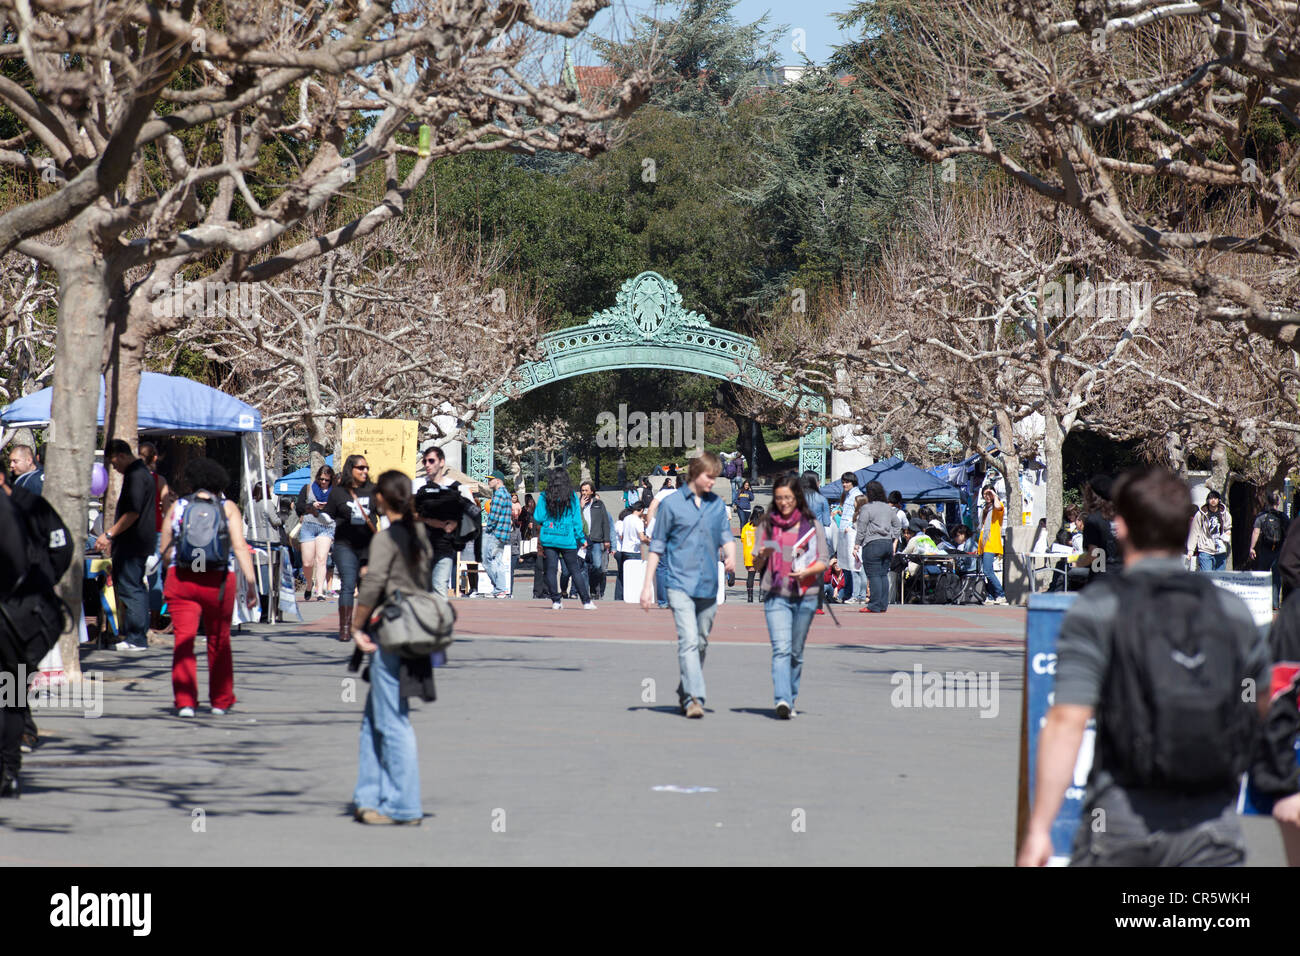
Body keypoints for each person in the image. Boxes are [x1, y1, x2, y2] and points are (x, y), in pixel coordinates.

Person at [1019, 467, 1273, 867]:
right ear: (1184, 526)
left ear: (1121, 527)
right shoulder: (1232, 612)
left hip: (1121, 819)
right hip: (1212, 820)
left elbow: (1068, 719)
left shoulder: (1099, 609)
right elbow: (1262, 706)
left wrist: (1039, 829)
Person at [349, 470, 435, 826]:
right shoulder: (420, 535)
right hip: (417, 630)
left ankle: (403, 804)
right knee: (374, 719)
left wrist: (355, 625)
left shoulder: (386, 539)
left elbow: (372, 587)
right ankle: (369, 797)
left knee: (394, 720)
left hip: (391, 631)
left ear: (383, 498)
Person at [158, 458, 259, 717]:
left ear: (191, 480)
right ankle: (221, 701)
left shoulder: (178, 506)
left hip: (182, 578)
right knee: (219, 640)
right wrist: (250, 583)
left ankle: (185, 702)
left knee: (184, 640)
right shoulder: (228, 508)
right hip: (218, 581)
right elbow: (238, 546)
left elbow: (165, 551)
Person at [642, 452, 735, 719]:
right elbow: (657, 546)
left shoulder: (716, 504)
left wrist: (730, 555)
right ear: (695, 474)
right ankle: (696, 698)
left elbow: (726, 536)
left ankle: (685, 689)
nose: (713, 483)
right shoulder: (671, 505)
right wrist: (648, 585)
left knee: (701, 641)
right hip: (679, 582)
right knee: (688, 641)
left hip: (707, 583)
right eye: (709, 476)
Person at [753, 474, 827, 719]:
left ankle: (791, 697)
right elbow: (756, 561)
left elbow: (824, 561)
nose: (783, 502)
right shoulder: (767, 524)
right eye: (779, 498)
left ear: (797, 497)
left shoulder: (811, 525)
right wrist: (762, 555)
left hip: (806, 595)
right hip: (776, 594)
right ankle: (782, 700)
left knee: (796, 651)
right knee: (781, 649)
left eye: (788, 497)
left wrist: (807, 571)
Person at [94, 439, 157, 651]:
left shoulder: (136, 476)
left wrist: (109, 534)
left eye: (113, 463)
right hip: (135, 542)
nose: (114, 468)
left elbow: (132, 512)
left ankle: (136, 637)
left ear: (120, 455)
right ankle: (133, 635)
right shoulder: (140, 474)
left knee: (131, 587)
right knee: (131, 586)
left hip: (133, 542)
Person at [324, 455, 377, 642]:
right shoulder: (338, 492)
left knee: (366, 587)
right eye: (360, 468)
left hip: (368, 546)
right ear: (350, 469)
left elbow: (385, 512)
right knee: (348, 583)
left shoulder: (373, 490)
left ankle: (364, 626)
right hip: (344, 544)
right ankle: (345, 628)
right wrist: (315, 512)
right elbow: (327, 516)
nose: (365, 471)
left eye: (366, 468)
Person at [534, 468, 593, 610]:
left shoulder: (544, 495)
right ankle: (586, 601)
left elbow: (538, 517)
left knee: (551, 570)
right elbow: (576, 520)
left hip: (549, 537)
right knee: (575, 570)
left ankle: (556, 601)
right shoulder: (571, 496)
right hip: (567, 539)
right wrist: (581, 537)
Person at [413, 446, 464, 598]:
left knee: (440, 588)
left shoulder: (454, 487)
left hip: (444, 547)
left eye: (431, 461)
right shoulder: (418, 486)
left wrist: (455, 524)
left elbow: (467, 511)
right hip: (422, 548)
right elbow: (411, 513)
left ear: (441, 462)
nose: (427, 464)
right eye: (425, 461)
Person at [857, 481, 899, 613]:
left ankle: (874, 605)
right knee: (882, 574)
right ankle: (882, 604)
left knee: (874, 575)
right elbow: (897, 525)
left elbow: (861, 528)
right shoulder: (888, 508)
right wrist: (893, 538)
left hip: (872, 543)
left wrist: (857, 543)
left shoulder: (867, 508)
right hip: (887, 543)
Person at [295, 464, 335, 601]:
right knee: (307, 563)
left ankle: (320, 591)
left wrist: (327, 507)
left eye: (327, 480)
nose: (323, 482)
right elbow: (298, 507)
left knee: (322, 559)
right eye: (321, 479)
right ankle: (309, 584)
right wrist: (312, 506)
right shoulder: (308, 488)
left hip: (327, 526)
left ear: (331, 480)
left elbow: (339, 509)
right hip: (309, 525)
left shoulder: (335, 491)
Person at [246, 481, 284, 622]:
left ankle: (255, 609)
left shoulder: (250, 504)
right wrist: (282, 518)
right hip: (268, 542)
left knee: (255, 576)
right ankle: (267, 610)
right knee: (268, 577)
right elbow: (275, 521)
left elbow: (246, 519)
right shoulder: (268, 503)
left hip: (252, 541)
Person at [1250, 490, 1289, 610]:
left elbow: (1256, 532)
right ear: (1278, 502)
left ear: (1267, 502)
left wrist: (1252, 548)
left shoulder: (1262, 516)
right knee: (1277, 577)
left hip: (1265, 549)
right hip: (1279, 550)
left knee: (1263, 575)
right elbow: (1289, 533)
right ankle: (1275, 604)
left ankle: (1262, 601)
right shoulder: (1283, 516)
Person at [479, 470, 513, 599]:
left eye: (491, 479)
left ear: (498, 481)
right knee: (497, 560)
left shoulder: (498, 494)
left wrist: (488, 529)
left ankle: (500, 588)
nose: (489, 481)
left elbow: (493, 516)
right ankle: (501, 589)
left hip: (494, 533)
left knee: (487, 560)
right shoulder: (507, 494)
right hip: (503, 533)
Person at [646, 476, 678, 608]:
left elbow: (651, 508)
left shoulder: (664, 493)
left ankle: (663, 601)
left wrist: (649, 527)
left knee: (661, 568)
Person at [579, 480, 613, 602]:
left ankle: (593, 588)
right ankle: (584, 592)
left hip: (596, 540)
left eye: (586, 490)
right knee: (582, 567)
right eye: (582, 490)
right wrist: (580, 507)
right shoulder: (578, 504)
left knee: (597, 566)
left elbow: (605, 522)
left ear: (592, 491)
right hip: (582, 540)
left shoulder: (599, 504)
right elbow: (574, 519)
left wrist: (607, 539)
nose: (584, 493)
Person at [976, 486, 1008, 605]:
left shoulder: (997, 507)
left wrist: (994, 495)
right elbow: (982, 527)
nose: (987, 496)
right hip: (984, 543)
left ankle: (1000, 594)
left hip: (991, 542)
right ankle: (990, 595)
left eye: (989, 493)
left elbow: (998, 506)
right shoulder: (985, 508)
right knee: (986, 571)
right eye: (985, 494)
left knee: (987, 570)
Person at [1187, 487, 1232, 572]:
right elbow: (1194, 532)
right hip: (1205, 549)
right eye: (1211, 498)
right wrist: (1191, 550)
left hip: (1220, 549)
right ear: (1208, 500)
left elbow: (1228, 528)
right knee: (1207, 575)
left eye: (1215, 498)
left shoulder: (1225, 514)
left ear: (1219, 500)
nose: (1213, 500)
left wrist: (1227, 534)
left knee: (1220, 577)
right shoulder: (1201, 514)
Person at [613, 502, 647, 602]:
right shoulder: (638, 521)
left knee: (622, 575)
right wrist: (649, 541)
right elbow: (641, 537)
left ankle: (619, 597)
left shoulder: (627, 519)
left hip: (624, 549)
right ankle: (634, 597)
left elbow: (623, 534)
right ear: (641, 510)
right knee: (635, 575)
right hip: (634, 551)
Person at [741, 505, 765, 603]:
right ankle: (761, 595)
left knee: (750, 575)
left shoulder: (746, 527)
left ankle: (750, 597)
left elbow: (743, 540)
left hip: (748, 553)